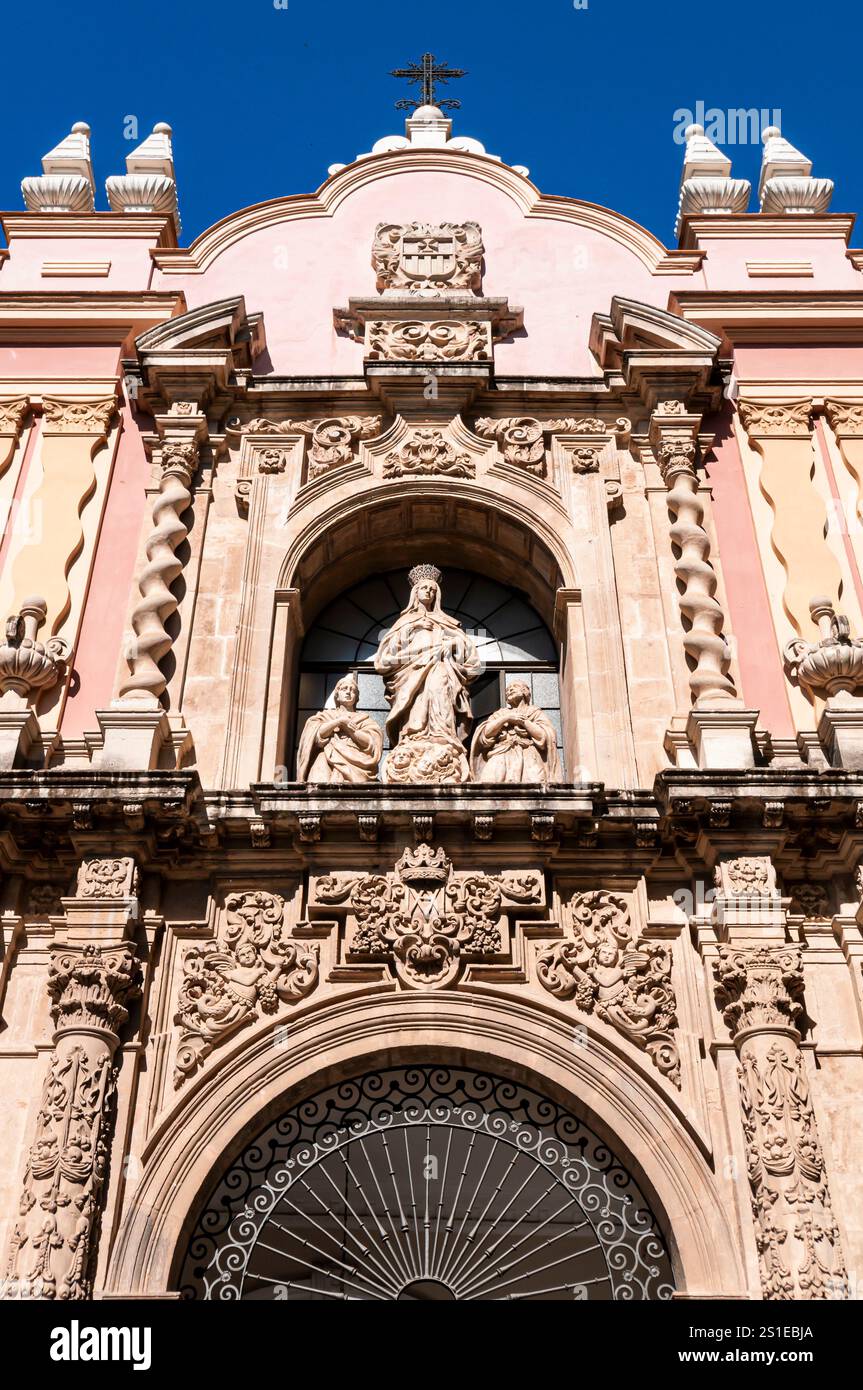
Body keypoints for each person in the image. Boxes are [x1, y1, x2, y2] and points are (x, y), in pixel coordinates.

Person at [470, 679, 561, 786]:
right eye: (508, 689)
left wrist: (523, 721)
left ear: (525, 692)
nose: (510, 689)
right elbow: (485, 734)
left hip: (528, 756)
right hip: (500, 755)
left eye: (515, 686)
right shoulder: (500, 714)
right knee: (486, 787)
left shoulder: (535, 713)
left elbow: (544, 737)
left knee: (534, 792)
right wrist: (506, 718)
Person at [296, 673, 382, 783]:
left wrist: (349, 729)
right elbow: (317, 735)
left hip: (357, 764)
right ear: (337, 695)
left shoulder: (365, 719)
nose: (348, 692)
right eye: (344, 689)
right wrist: (339, 721)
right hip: (326, 760)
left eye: (352, 690)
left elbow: (371, 743)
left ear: (356, 697)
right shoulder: (325, 716)